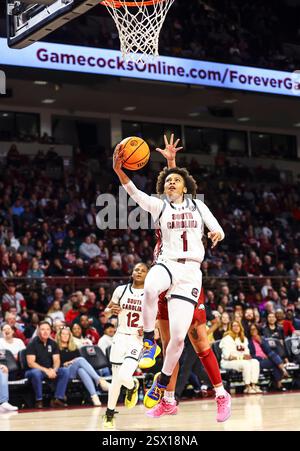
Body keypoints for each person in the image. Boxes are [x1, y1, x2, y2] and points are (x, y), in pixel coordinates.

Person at [113, 134, 225, 408]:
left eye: (176, 180)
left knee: (178, 338)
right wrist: (119, 170)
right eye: (168, 181)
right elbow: (135, 193)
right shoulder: (160, 205)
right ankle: (148, 341)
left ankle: (163, 385)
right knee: (150, 286)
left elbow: (218, 228)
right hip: (167, 264)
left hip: (191, 273)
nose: (171, 183)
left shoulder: (199, 205)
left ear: (186, 188)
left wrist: (217, 235)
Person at [102, 263, 148, 428]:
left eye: (143, 271)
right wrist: (110, 310)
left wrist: (149, 329)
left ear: (147, 275)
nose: (139, 272)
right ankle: (109, 413)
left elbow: (158, 319)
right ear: (131, 272)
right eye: (136, 269)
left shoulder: (150, 294)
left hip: (136, 339)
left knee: (124, 375)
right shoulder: (121, 290)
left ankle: (133, 384)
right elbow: (106, 312)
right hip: (120, 336)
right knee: (116, 379)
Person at [55, 327, 109, 406]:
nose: (65, 336)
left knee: (81, 370)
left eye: (67, 334)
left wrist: (72, 362)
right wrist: (67, 363)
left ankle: (94, 396)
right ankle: (100, 380)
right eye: (63, 334)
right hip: (64, 372)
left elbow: (79, 361)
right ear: (59, 335)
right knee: (80, 359)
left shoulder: (73, 347)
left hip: (75, 371)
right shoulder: (56, 347)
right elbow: (55, 362)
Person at [25, 321, 70, 409]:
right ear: (38, 330)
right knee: (36, 373)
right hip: (33, 371)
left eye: (47, 329)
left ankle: (58, 399)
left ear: (50, 331)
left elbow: (57, 360)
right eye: (42, 329)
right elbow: (31, 363)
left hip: (49, 370)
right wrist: (46, 370)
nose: (45, 332)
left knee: (65, 371)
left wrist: (54, 370)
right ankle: (39, 400)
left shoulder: (53, 343)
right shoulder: (32, 344)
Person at [220, 321, 261, 394]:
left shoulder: (243, 338)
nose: (236, 327)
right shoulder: (226, 339)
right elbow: (227, 356)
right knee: (246, 364)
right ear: (230, 328)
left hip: (241, 360)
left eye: (238, 326)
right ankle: (247, 386)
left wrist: (247, 356)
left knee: (255, 362)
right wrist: (241, 357)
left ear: (240, 327)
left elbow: (247, 352)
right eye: (234, 326)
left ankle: (253, 385)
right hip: (227, 362)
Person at [248, 324, 289, 391]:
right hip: (258, 361)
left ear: (257, 330)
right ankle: (281, 378)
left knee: (273, 356)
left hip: (268, 358)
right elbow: (251, 355)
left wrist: (261, 342)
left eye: (255, 329)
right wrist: (262, 358)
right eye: (251, 329)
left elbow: (268, 350)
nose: (253, 331)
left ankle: (278, 383)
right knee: (275, 361)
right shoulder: (248, 341)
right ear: (249, 331)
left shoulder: (262, 339)